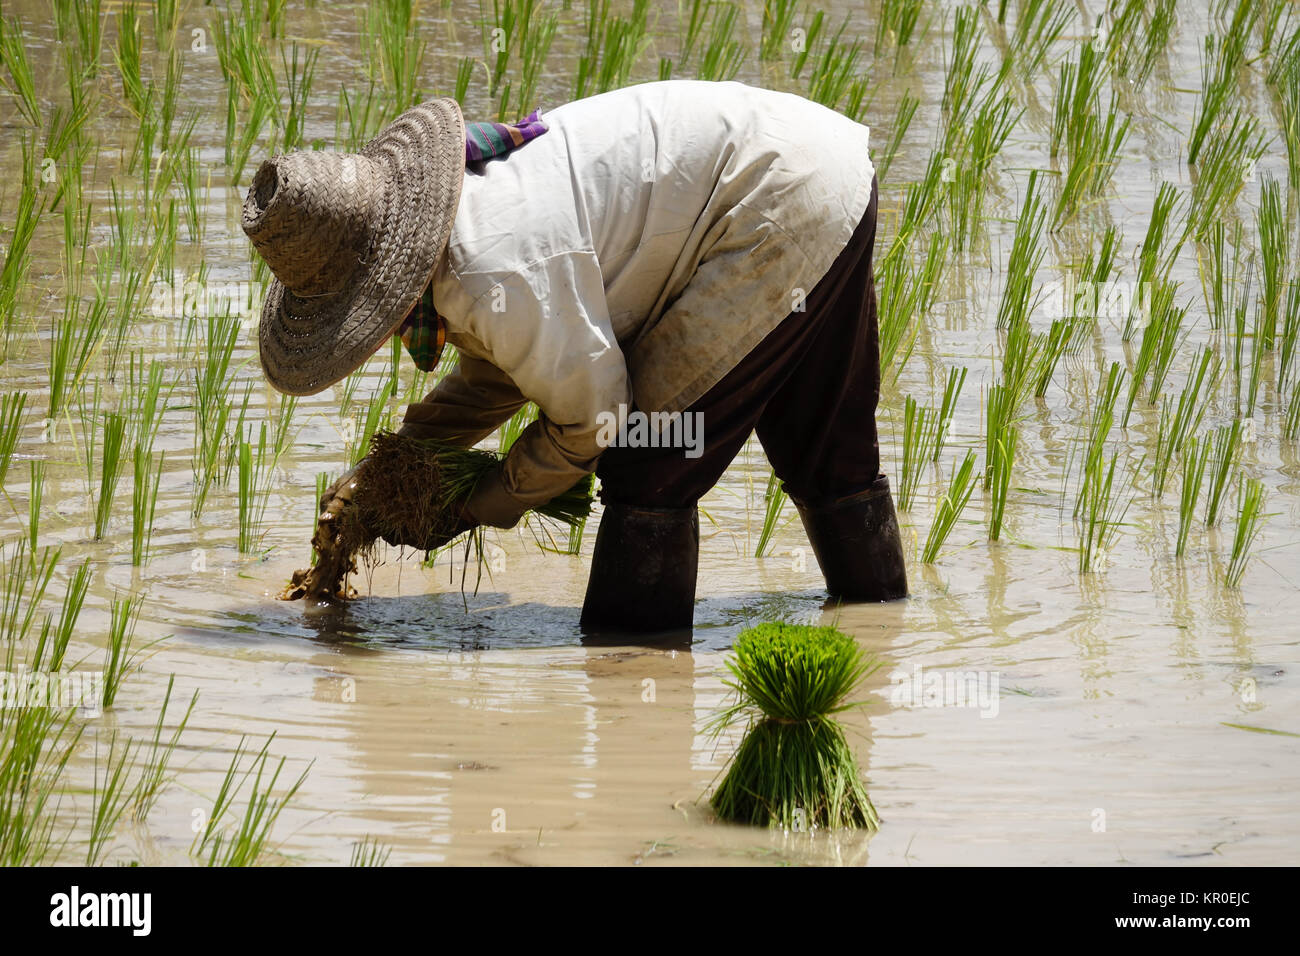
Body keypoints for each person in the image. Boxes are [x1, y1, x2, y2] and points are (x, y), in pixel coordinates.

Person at [241, 79, 907, 635]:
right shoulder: (464, 222)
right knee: (827, 447)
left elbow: (596, 422)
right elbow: (499, 375)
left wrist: (479, 504)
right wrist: (393, 468)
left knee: (650, 455)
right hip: (818, 165)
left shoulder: (490, 266)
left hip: (773, 200)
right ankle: (883, 635)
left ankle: (628, 677)